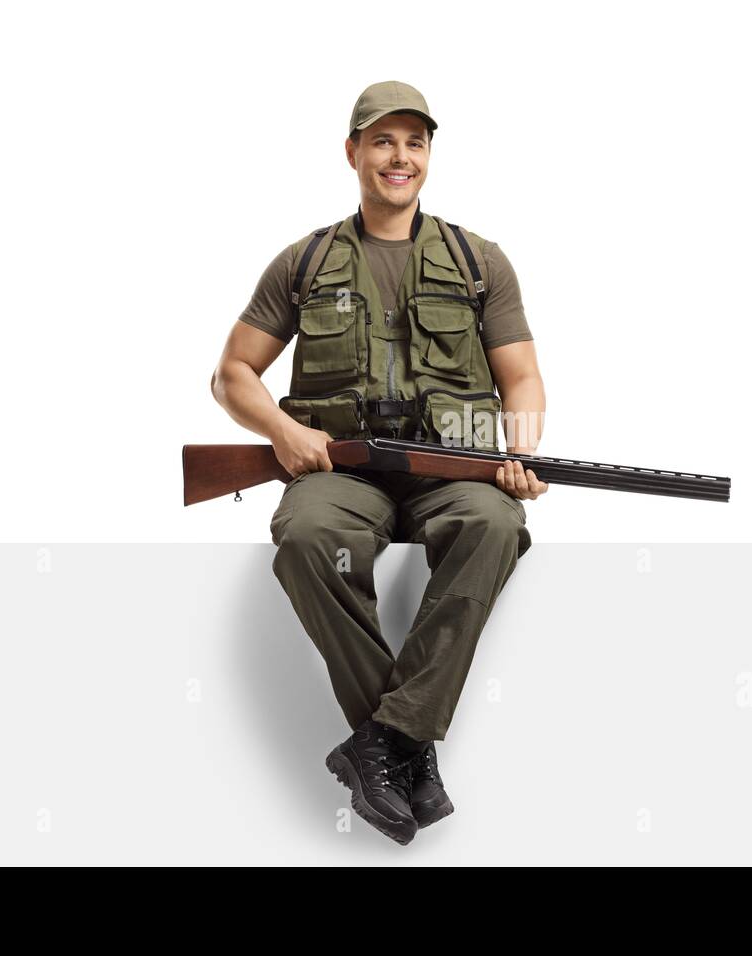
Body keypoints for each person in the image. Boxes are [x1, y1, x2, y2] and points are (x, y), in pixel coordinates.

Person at [210, 81, 548, 845]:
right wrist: (280, 432)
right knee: (304, 540)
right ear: (353, 152)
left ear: (428, 155)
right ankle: (410, 746)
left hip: (451, 472)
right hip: (340, 473)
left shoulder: (476, 261)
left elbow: (522, 377)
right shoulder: (305, 262)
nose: (400, 157)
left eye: (415, 142)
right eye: (383, 141)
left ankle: (384, 741)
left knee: (495, 525)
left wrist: (518, 453)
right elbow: (232, 373)